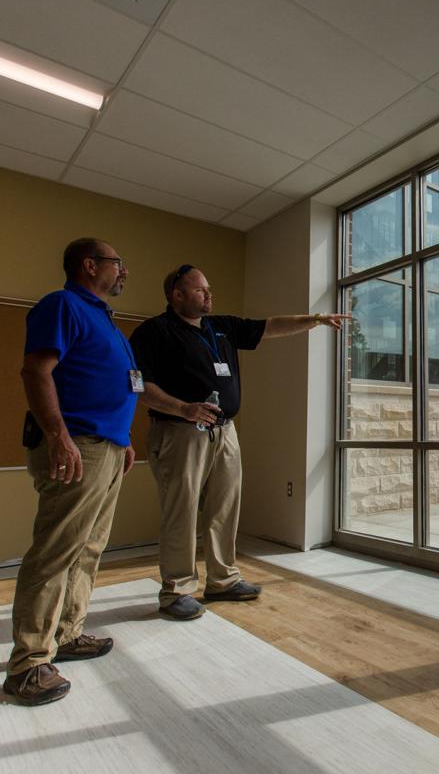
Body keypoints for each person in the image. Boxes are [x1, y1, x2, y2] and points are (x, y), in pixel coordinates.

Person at [129, 265, 347, 620]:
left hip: (225, 431)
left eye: (209, 288)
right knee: (181, 512)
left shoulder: (221, 327)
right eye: (200, 290)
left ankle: (222, 581)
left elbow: (270, 326)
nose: (208, 295)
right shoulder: (153, 332)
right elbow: (140, 387)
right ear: (177, 295)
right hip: (180, 432)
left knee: (224, 508)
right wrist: (183, 408)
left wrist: (316, 319)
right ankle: (176, 591)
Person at [3, 238, 140, 706]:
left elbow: (119, 386)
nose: (124, 271)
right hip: (76, 445)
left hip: (106, 448)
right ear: (90, 265)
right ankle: (27, 666)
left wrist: (123, 437)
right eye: (117, 263)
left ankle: (66, 633)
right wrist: (59, 437)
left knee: (89, 547)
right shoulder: (61, 305)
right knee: (57, 551)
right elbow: (35, 372)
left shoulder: (105, 319)